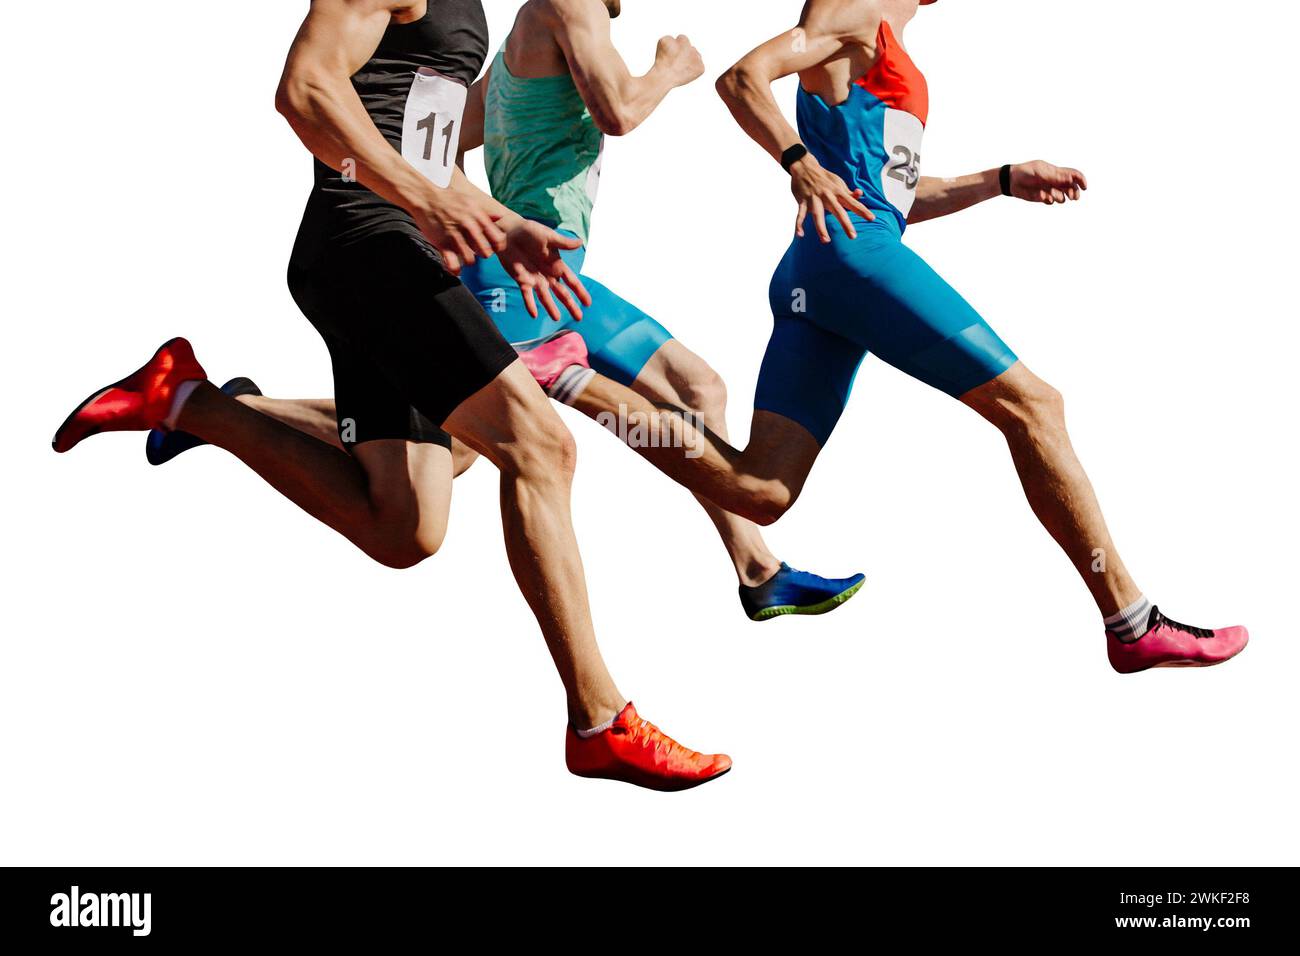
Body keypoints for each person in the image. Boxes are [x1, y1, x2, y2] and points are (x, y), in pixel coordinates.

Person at [51, 0, 730, 791]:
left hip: (395, 247)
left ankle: (190, 402)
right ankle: (598, 721)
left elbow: (430, 136)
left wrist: (494, 222)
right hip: (364, 239)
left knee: (407, 525)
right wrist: (428, 198)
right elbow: (304, 91)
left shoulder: (466, 12)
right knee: (541, 447)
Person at [518, 0, 1248, 673]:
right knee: (1035, 406)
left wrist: (999, 179)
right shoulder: (852, 10)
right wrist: (798, 166)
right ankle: (1131, 621)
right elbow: (743, 80)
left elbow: (896, 196)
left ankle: (573, 380)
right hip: (852, 258)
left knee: (761, 490)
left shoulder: (879, 41)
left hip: (828, 262)